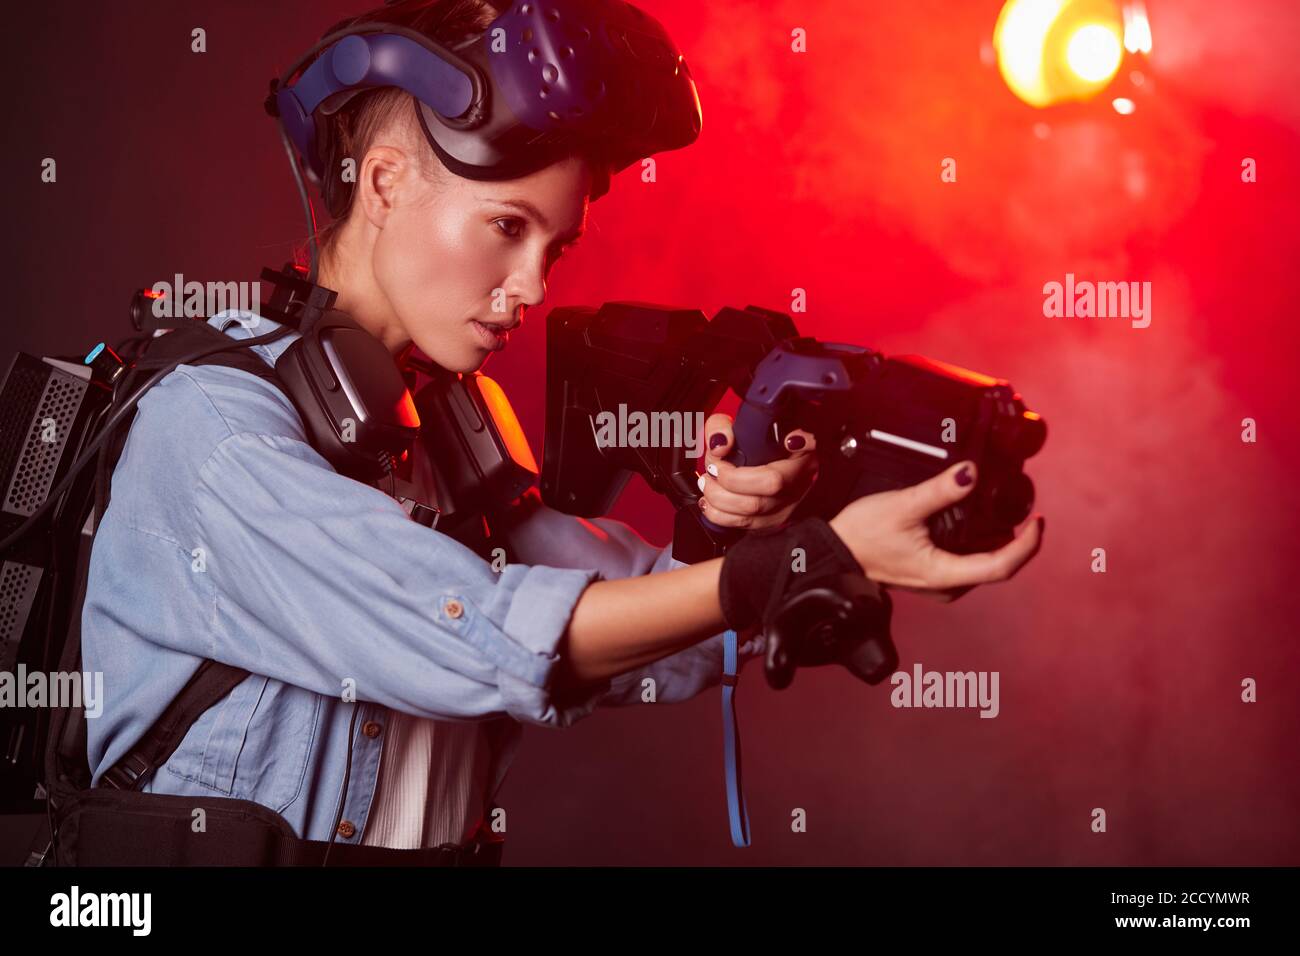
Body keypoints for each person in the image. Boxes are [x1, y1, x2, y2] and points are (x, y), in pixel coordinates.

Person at [80, 0, 1044, 858]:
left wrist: (752, 536)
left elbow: (641, 617)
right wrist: (791, 564)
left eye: (558, 246)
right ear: (380, 184)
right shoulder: (209, 425)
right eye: (507, 227)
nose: (536, 290)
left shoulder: (453, 424)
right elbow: (480, 631)